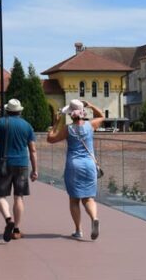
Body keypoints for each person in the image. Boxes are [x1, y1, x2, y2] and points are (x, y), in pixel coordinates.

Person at [47, 99, 104, 241]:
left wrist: (56, 122)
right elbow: (102, 115)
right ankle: (94, 218)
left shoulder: (68, 129)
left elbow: (50, 139)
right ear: (82, 113)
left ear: (71, 114)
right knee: (88, 198)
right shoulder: (90, 125)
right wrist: (90, 105)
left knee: (74, 199)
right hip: (90, 165)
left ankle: (78, 230)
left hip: (74, 165)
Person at [0, 99, 38, 242]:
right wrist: (35, 169)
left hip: (5, 163)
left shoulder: (0, 123)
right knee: (19, 196)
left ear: (7, 110)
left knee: (0, 195)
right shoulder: (27, 126)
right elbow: (33, 149)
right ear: (20, 111)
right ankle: (16, 229)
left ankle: (8, 219)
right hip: (22, 164)